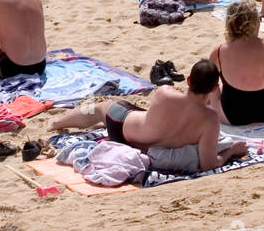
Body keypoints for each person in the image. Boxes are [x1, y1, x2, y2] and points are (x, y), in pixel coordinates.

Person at [49, 60, 248, 174]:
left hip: (122, 129)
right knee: (119, 110)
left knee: (104, 108)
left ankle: (57, 122)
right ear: (215, 88)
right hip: (140, 145)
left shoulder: (165, 92)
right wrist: (230, 152)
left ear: (188, 80)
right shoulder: (210, 120)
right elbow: (209, 165)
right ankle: (58, 122)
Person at [209, 0, 264, 125]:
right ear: (256, 24)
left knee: (212, 82)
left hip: (233, 115)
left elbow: (206, 80)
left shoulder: (220, 50)